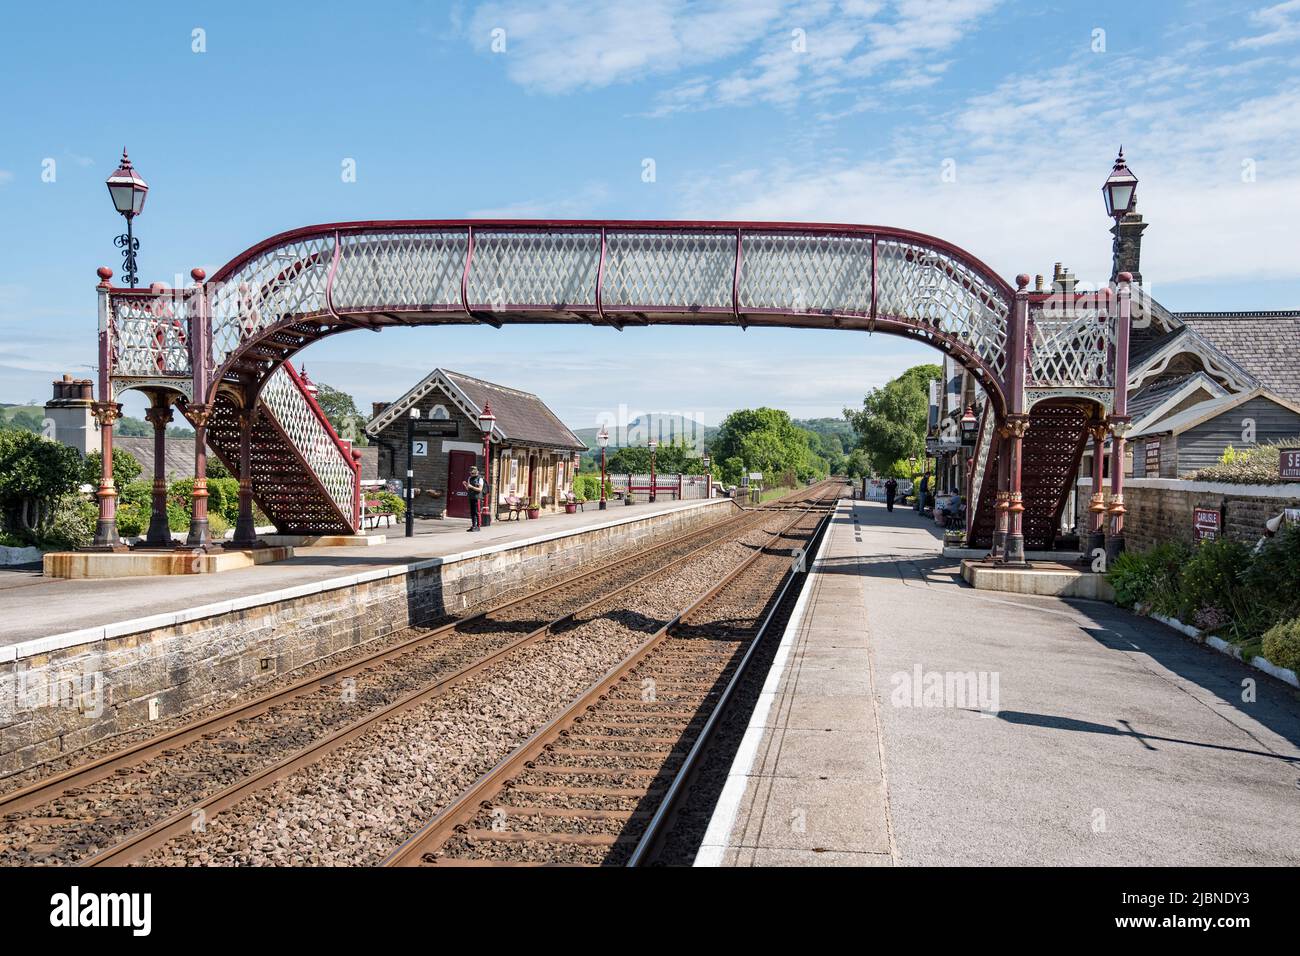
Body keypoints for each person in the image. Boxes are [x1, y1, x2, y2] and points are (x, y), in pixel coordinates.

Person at [463, 466, 485, 531]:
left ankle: (478, 526)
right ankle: (473, 526)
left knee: (477, 512)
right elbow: (468, 489)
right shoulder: (470, 478)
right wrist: (466, 485)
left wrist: (471, 487)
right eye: (471, 473)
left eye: (473, 473)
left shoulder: (480, 479)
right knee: (472, 512)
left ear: (477, 472)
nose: (471, 474)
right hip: (471, 497)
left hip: (477, 497)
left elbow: (480, 489)